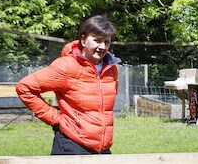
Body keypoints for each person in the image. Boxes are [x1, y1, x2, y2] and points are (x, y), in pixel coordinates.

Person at [16, 14, 121, 156]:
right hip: (72, 145)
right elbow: (25, 88)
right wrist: (55, 120)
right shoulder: (67, 66)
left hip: (102, 148)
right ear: (83, 40)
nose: (102, 47)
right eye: (97, 41)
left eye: (107, 42)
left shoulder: (112, 68)